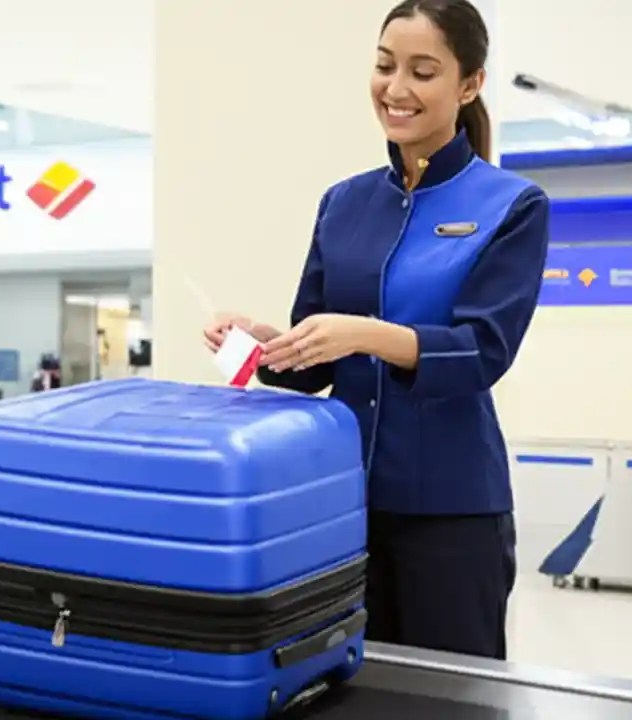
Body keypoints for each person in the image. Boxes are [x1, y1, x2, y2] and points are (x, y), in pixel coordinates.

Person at [203, 0, 549, 661]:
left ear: (469, 84)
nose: (396, 89)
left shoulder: (512, 205)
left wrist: (364, 332)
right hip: (338, 503)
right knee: (346, 685)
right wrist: (256, 340)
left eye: (423, 71)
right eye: (386, 66)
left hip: (451, 512)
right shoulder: (344, 203)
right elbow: (310, 366)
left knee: (451, 701)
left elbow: (482, 352)